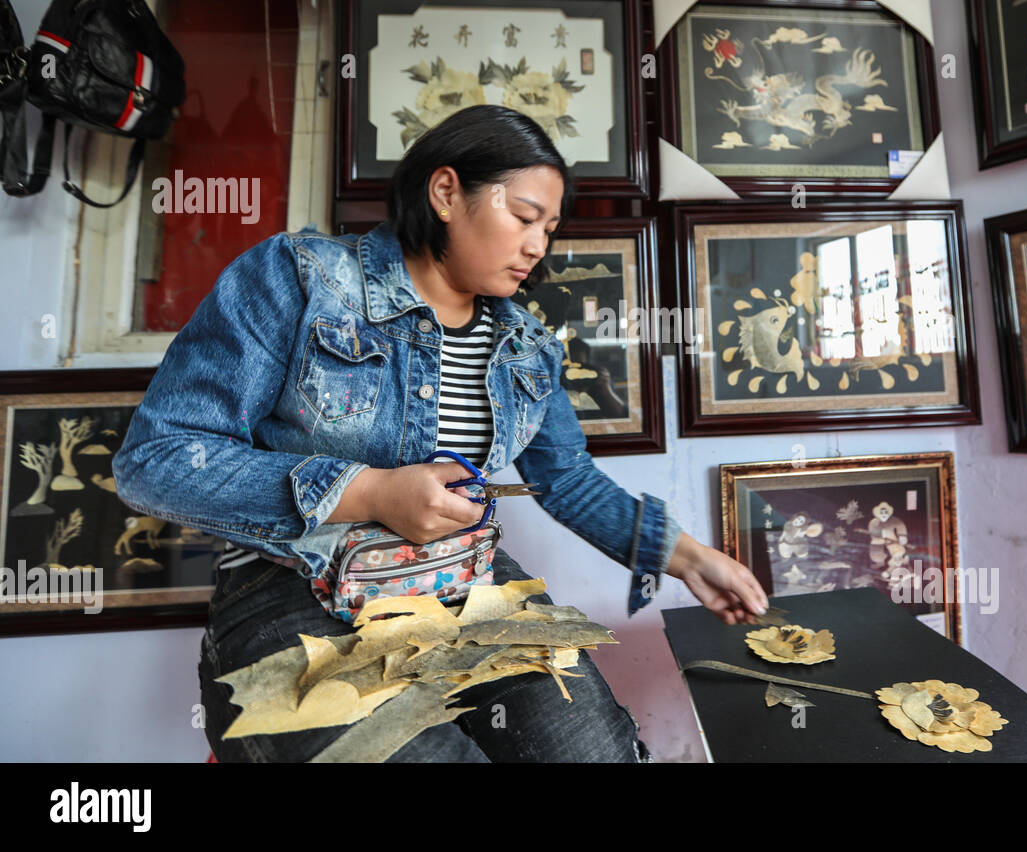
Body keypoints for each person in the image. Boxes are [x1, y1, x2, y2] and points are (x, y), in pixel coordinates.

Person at [111, 104, 768, 762]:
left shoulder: (527, 345)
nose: (540, 245)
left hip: (466, 581)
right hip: (295, 584)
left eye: (550, 227)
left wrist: (686, 559)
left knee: (598, 753)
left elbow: (565, 478)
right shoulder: (297, 277)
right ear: (447, 192)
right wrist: (367, 493)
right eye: (524, 217)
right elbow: (155, 462)